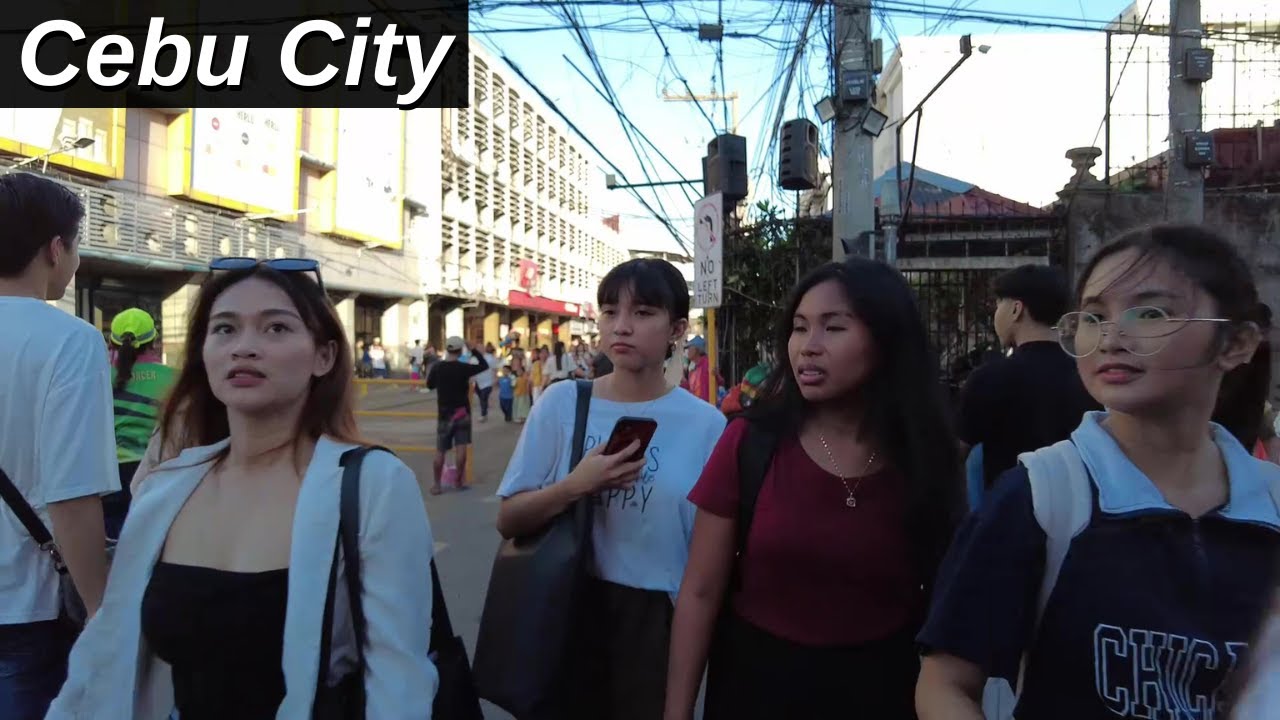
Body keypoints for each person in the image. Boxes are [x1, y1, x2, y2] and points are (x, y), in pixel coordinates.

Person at [916, 225, 1280, 719]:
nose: (1111, 337)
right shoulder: (1040, 497)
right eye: (1093, 316)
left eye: (1150, 312)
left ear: (1235, 343)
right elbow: (946, 684)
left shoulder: (1269, 507)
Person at [47, 258, 437, 719]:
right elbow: (104, 656)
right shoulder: (166, 489)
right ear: (203, 352)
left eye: (275, 329)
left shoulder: (372, 485)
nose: (244, 348)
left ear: (324, 356)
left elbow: (399, 684)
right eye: (225, 330)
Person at [666, 259, 962, 720]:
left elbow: (945, 603)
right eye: (800, 328)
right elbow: (700, 591)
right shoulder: (749, 442)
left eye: (833, 328)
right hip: (756, 690)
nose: (808, 347)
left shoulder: (928, 457)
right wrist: (677, 712)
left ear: (886, 340)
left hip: (883, 691)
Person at [496, 258, 727, 720]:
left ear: (677, 328)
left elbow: (704, 580)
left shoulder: (708, 426)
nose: (621, 326)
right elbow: (509, 519)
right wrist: (575, 486)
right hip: (566, 608)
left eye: (642, 313)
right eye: (608, 311)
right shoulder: (562, 402)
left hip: (655, 624)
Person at [0, 173, 117, 720]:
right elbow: (72, 493)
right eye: (76, 245)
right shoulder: (71, 341)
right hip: (23, 610)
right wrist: (100, 611)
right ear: (55, 248)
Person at [956, 264, 1101, 493]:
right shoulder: (1090, 376)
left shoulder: (989, 379)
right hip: (1082, 514)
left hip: (1012, 516)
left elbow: (954, 458)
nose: (995, 315)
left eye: (997, 305)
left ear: (1016, 309)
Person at [104, 308, 175, 540]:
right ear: (153, 341)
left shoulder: (97, 375)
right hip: (154, 475)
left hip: (105, 477)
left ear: (111, 342)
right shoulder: (174, 378)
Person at [426, 336, 489, 495]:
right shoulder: (463, 367)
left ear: (447, 349)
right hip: (462, 413)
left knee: (440, 450)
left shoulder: (438, 367)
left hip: (444, 414)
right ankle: (458, 481)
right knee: (461, 449)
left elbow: (429, 385)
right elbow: (484, 365)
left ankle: (436, 485)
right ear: (461, 350)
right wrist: (473, 349)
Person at [471, 342, 499, 423]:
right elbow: (471, 370)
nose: (480, 349)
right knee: (482, 398)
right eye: (478, 348)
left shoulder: (490, 358)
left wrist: (495, 379)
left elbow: (495, 369)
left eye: (482, 348)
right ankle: (485, 410)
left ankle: (483, 414)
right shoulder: (474, 359)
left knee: (483, 397)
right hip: (478, 382)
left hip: (488, 382)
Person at [511, 355, 532, 423]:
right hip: (516, 392)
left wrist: (528, 388)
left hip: (524, 392)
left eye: (517, 361)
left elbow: (527, 380)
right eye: (514, 361)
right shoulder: (511, 372)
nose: (516, 363)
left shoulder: (524, 370)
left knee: (523, 405)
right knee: (516, 405)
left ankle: (523, 417)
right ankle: (517, 417)